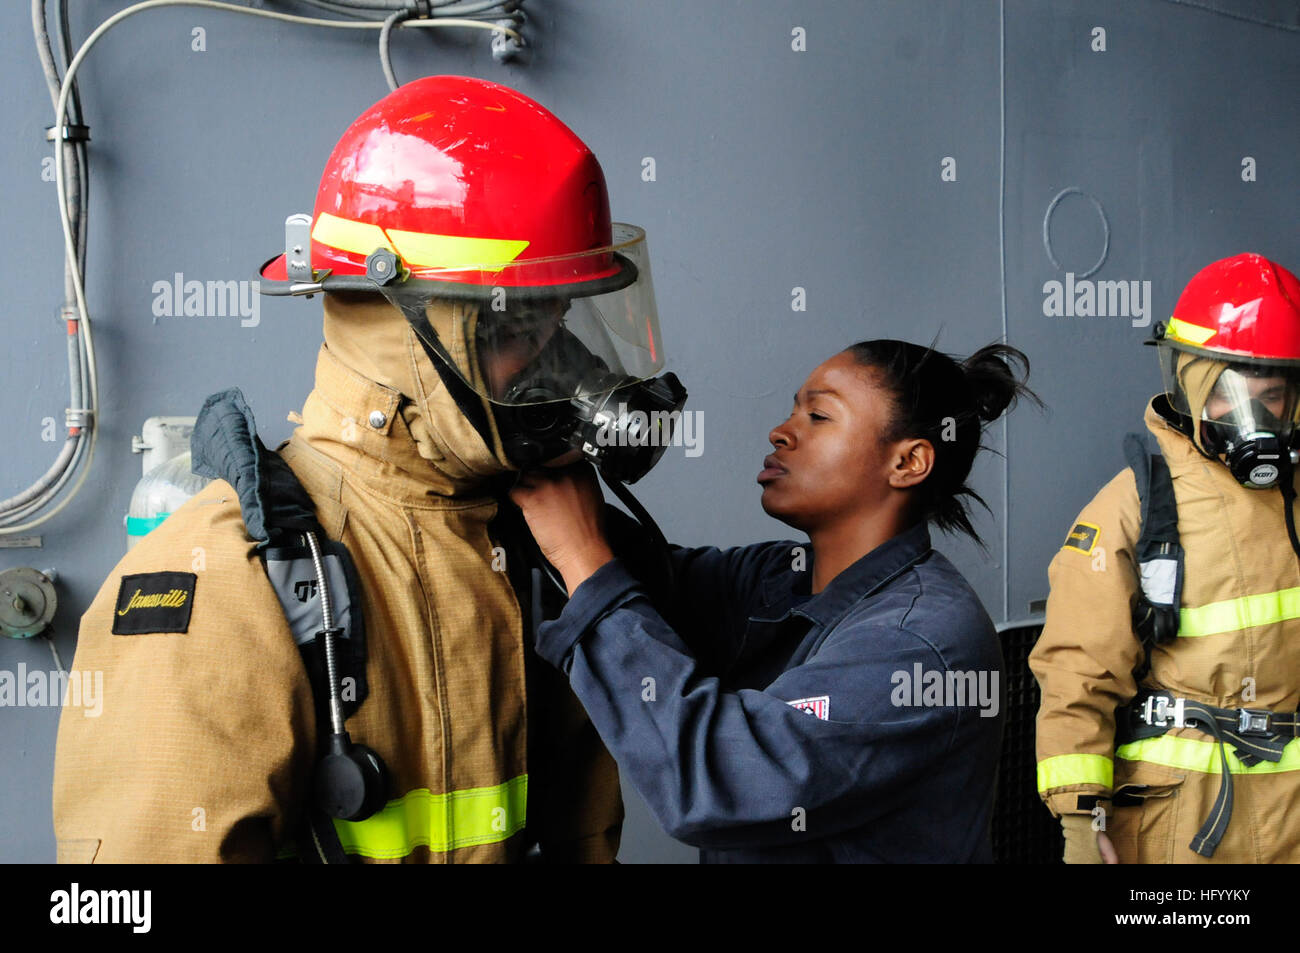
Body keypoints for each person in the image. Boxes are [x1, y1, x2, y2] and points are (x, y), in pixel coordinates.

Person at [51, 75, 683, 863]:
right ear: (401, 329)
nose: (557, 371)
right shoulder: (217, 586)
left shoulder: (542, 555)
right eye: (520, 326)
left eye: (562, 324)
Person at [509, 339, 1034, 862]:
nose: (782, 432)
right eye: (793, 410)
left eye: (819, 415)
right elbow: (652, 584)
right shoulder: (783, 576)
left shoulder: (919, 644)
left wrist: (581, 556)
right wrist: (532, 446)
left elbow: (719, 784)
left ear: (908, 462)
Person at [1031, 253, 1300, 864]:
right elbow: (1078, 674)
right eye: (1229, 394)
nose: (1253, 419)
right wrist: (1079, 820)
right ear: (1190, 382)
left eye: (1273, 396)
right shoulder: (1135, 505)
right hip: (1182, 826)